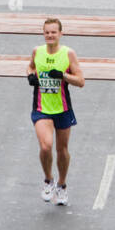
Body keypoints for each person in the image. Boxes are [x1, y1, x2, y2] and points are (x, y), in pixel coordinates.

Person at [27, 18, 86, 205]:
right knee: (46, 146)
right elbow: (31, 66)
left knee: (62, 150)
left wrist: (63, 75)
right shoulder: (37, 51)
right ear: (43, 34)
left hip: (62, 108)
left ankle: (62, 185)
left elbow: (81, 81)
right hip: (42, 108)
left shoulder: (68, 54)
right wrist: (30, 76)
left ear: (60, 34)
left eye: (53, 32)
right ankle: (48, 180)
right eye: (47, 32)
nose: (50, 35)